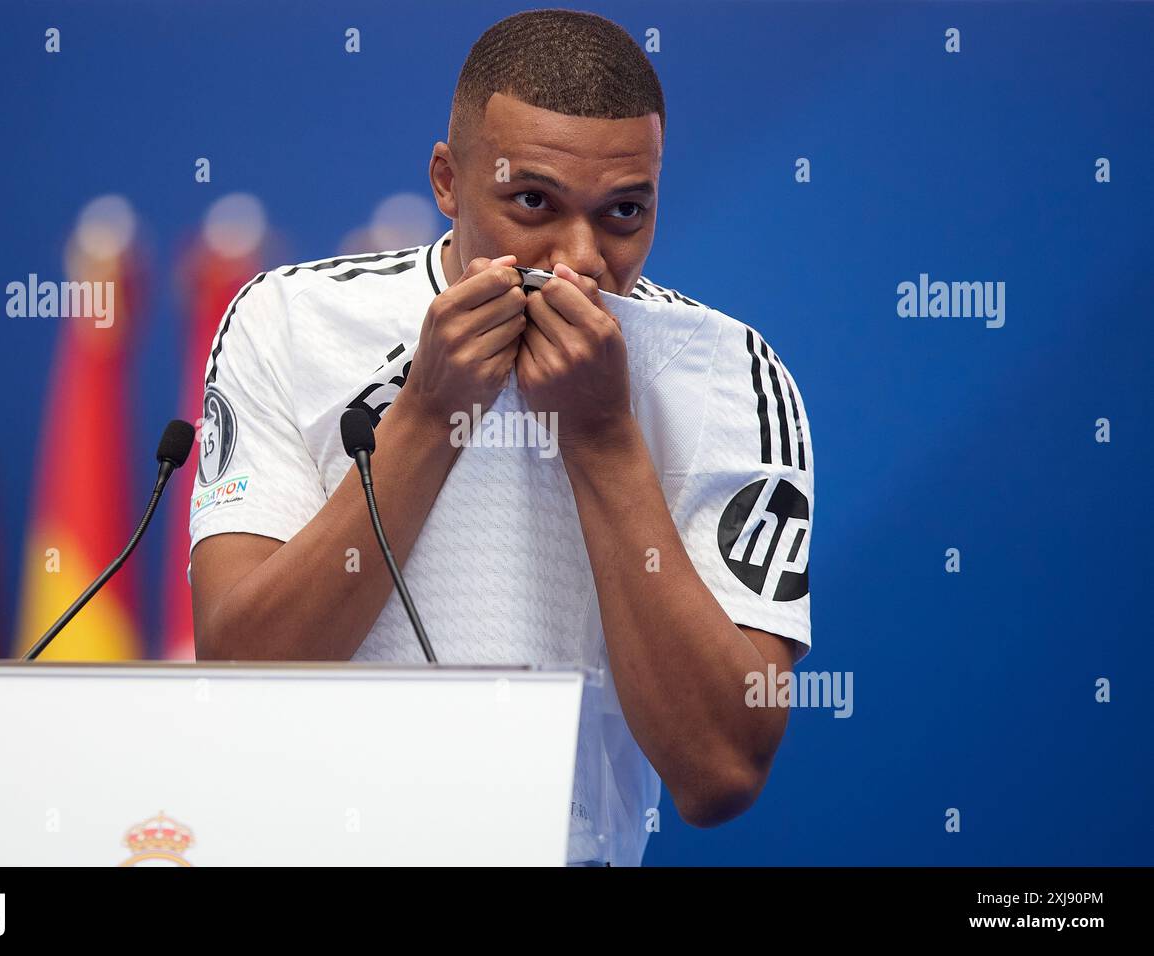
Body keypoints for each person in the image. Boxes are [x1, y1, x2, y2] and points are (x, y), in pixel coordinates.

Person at [189, 8, 813, 866]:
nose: (579, 260)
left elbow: (720, 772)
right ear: (448, 181)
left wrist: (602, 438)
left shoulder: (730, 373)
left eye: (624, 213)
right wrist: (430, 415)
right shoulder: (289, 321)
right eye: (533, 203)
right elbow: (236, 681)